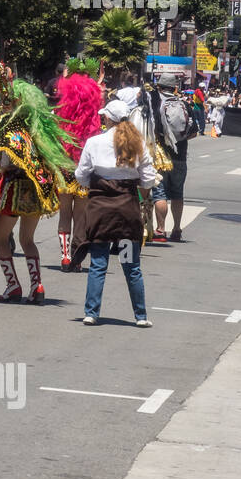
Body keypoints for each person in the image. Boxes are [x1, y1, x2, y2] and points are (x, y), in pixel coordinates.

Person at [0, 61, 75, 305]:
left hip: (14, 190)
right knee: (27, 240)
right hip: (35, 191)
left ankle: (13, 285)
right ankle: (37, 286)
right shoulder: (35, 131)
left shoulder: (11, 130)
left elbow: (7, 162)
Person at [73, 99, 156, 328]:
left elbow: (81, 175)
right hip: (127, 212)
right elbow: (148, 178)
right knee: (131, 264)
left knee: (99, 263)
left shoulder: (94, 142)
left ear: (108, 118)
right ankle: (140, 316)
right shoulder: (137, 142)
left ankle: (91, 313)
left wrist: (97, 183)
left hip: (100, 210)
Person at [54, 57, 103, 273]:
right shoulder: (94, 110)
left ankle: (65, 257)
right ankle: (77, 256)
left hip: (65, 163)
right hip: (85, 164)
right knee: (81, 214)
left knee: (65, 213)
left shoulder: (61, 109)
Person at [152, 79, 198, 242]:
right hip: (180, 156)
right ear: (175, 88)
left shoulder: (155, 104)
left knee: (160, 193)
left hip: (160, 156)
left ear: (159, 87)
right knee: (178, 193)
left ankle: (161, 230)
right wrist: (178, 140)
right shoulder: (184, 105)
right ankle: (177, 229)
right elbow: (194, 132)